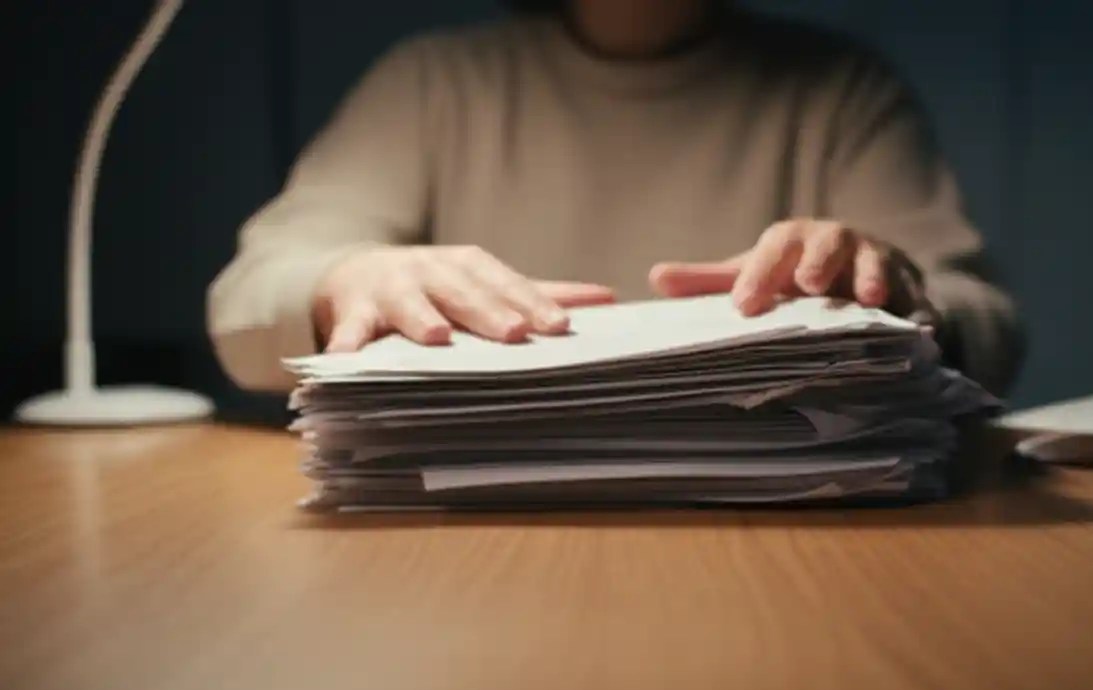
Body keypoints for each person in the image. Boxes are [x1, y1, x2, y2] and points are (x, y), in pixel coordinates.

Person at [207, 0, 1023, 395]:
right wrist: (343, 279)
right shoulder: (433, 82)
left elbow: (984, 324)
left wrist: (904, 298)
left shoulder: (840, 89)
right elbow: (247, 300)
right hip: (464, 545)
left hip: (793, 533)